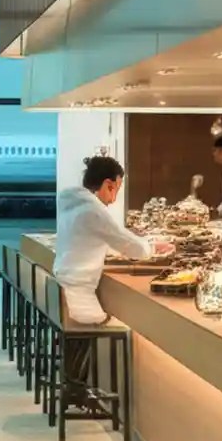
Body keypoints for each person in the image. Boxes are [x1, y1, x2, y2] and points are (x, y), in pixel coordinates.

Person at [54, 157, 171, 412]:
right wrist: (153, 247)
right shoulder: (92, 210)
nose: (115, 196)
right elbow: (129, 245)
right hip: (79, 299)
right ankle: (79, 388)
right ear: (108, 184)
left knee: (83, 336)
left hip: (64, 290)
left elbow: (100, 238)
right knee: (125, 331)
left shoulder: (70, 202)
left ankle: (75, 384)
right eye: (117, 188)